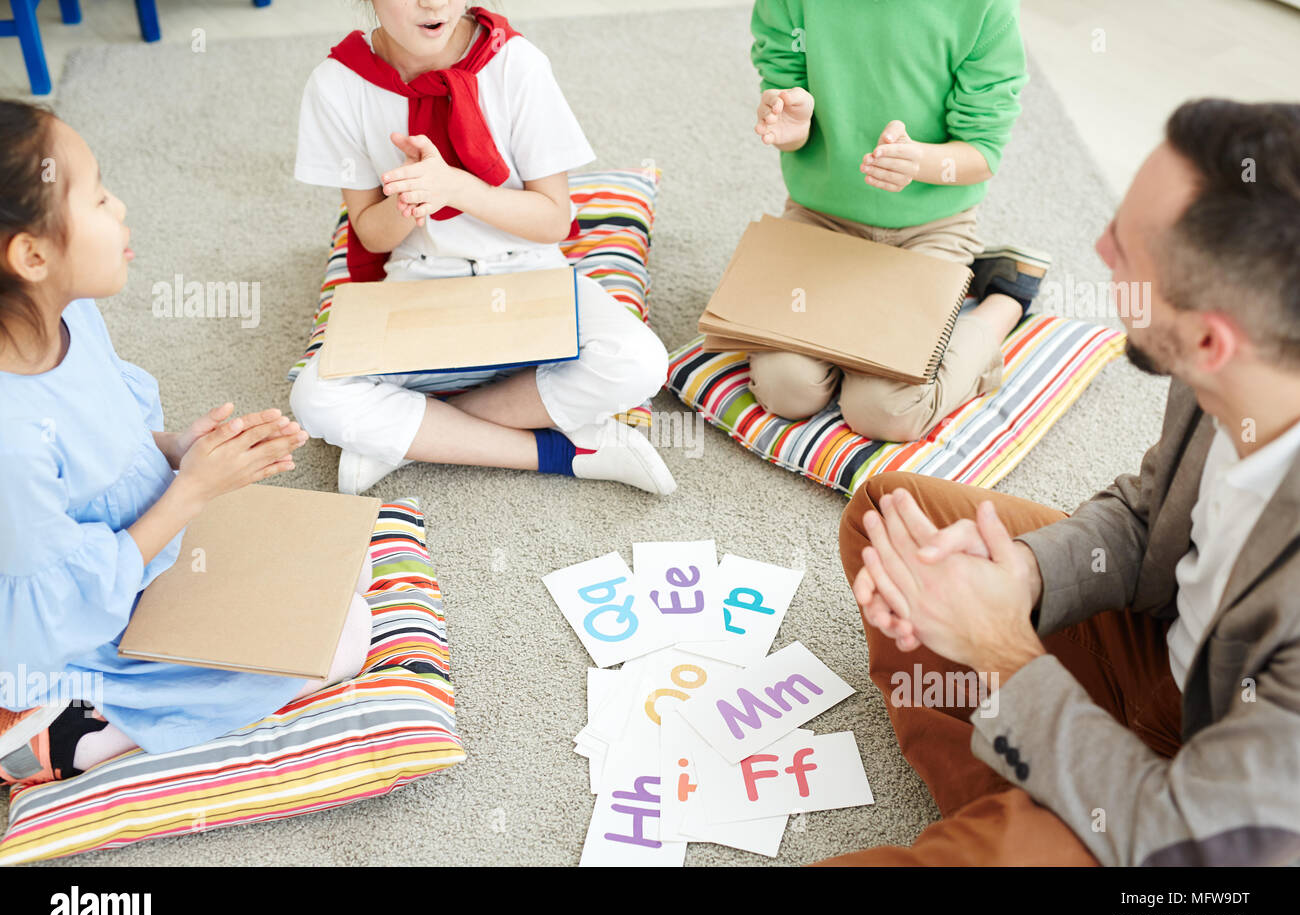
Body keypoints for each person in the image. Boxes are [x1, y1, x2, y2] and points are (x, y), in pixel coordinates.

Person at [825, 98, 1300, 865]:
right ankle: (1037, 813)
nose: (1099, 246)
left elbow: (1191, 843)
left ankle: (1043, 829)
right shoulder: (1244, 365)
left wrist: (1002, 652)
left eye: (1129, 250)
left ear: (1213, 340)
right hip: (1167, 657)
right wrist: (1024, 575)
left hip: (1206, 823)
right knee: (894, 514)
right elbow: (1150, 519)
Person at [0, 102, 372, 786]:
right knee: (341, 637)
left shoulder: (67, 311)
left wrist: (176, 448)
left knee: (348, 575)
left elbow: (102, 438)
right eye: (100, 196)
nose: (122, 206)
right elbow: (49, 611)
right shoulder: (10, 441)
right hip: (73, 628)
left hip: (141, 553)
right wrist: (194, 490)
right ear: (31, 255)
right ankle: (78, 733)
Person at [289, 2, 675, 495]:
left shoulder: (516, 63)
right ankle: (562, 453)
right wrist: (411, 195)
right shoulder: (337, 82)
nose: (434, 3)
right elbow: (370, 236)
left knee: (639, 362)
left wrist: (455, 188)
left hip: (528, 272)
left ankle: (415, 437)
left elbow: (554, 219)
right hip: (421, 280)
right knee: (316, 398)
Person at [750, 0, 1048, 441]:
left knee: (885, 410)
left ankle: (1005, 299)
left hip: (932, 228)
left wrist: (920, 161)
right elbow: (783, 86)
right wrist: (793, 126)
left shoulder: (985, 8)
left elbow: (983, 151)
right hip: (822, 221)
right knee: (786, 388)